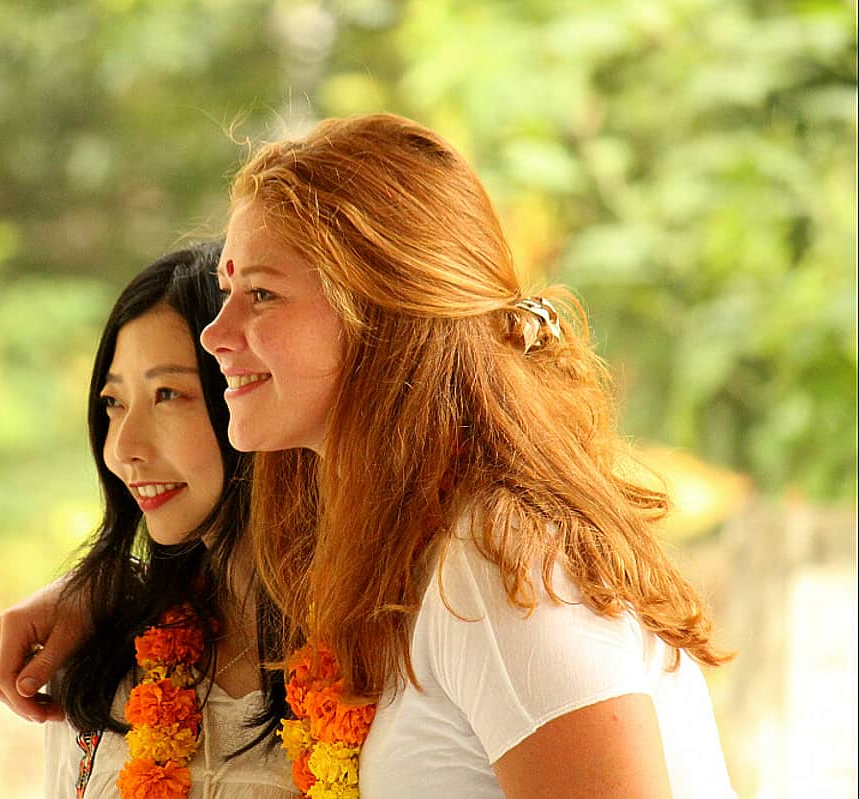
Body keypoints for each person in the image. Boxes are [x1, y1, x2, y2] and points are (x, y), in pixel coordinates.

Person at [198, 113, 736, 797]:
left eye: (262, 295)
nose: (217, 333)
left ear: (384, 308)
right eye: (227, 290)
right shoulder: (423, 541)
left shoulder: (504, 562)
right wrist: (89, 599)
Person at [3, 243, 295, 798]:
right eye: (114, 402)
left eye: (168, 394)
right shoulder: (98, 662)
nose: (124, 448)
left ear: (246, 388)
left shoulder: (375, 651)